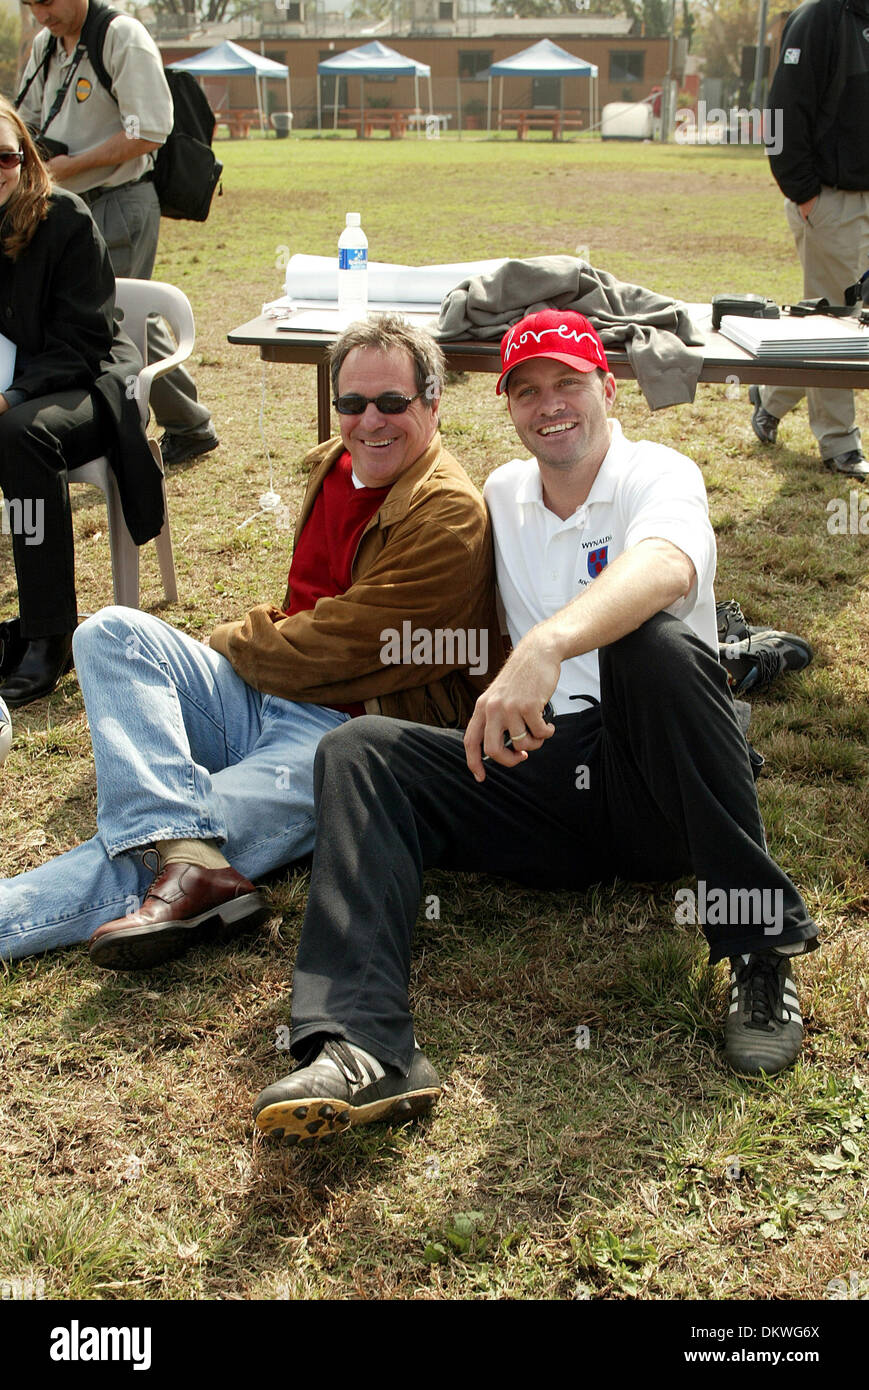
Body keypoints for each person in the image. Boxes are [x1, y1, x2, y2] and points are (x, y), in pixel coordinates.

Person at [253, 309, 820, 1147]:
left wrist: (550, 642)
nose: (549, 405)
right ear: (507, 408)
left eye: (568, 383)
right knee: (358, 750)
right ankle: (362, 1045)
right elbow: (428, 580)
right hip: (549, 781)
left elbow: (664, 566)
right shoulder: (501, 495)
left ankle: (759, 952)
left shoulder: (656, 471)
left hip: (655, 785)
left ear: (607, 387)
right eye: (527, 391)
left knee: (652, 646)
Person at [0, 315, 499, 966]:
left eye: (391, 402)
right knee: (109, 632)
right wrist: (261, 642)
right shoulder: (336, 464)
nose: (368, 421)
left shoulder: (449, 517)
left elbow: (340, 649)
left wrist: (235, 638)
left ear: (433, 402)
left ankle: (159, 867)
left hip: (342, 738)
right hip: (267, 692)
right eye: (350, 403)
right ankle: (188, 854)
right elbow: (305, 610)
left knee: (162, 837)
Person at [0, 95, 161, 708]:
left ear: (27, 159)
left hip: (87, 380)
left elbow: (83, 339)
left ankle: (49, 634)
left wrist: (10, 394)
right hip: (17, 385)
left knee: (20, 436)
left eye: (5, 157)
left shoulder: (63, 218)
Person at [15, 0, 219, 467]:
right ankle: (189, 424)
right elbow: (27, 119)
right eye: (29, 5)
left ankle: (144, 428)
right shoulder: (48, 44)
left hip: (118, 199)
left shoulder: (120, 36)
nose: (39, 15)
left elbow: (149, 132)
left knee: (111, 319)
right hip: (68, 203)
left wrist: (70, 164)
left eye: (45, 2)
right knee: (125, 317)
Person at [749, 0, 869, 482]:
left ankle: (770, 397)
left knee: (841, 321)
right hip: (831, 202)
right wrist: (805, 196)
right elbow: (781, 113)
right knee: (839, 325)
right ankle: (840, 443)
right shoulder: (818, 19)